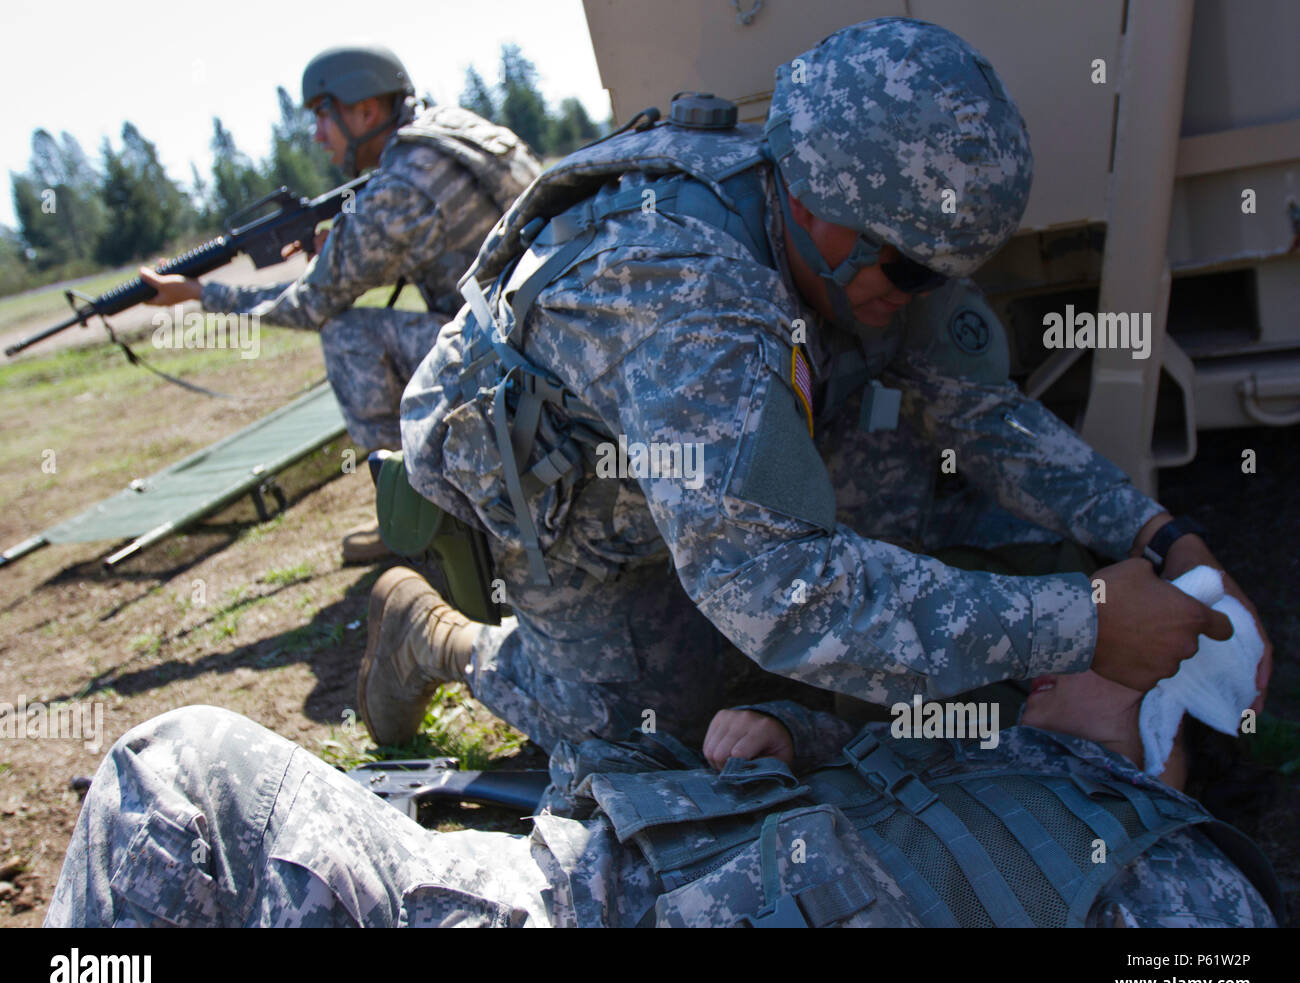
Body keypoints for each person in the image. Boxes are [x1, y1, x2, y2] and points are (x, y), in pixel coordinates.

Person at [359, 17, 1270, 749]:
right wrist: (1080, 623)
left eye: (943, 270)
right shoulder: (685, 291)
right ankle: (434, 637)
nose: (920, 292)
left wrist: (1157, 532)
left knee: (896, 535)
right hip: (561, 500)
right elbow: (774, 585)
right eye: (910, 270)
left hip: (695, 449)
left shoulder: (868, 227)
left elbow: (984, 416)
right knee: (640, 738)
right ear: (808, 201)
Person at [44, 660, 1283, 928]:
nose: (1056, 661)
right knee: (189, 764)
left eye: (1102, 658)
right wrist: (776, 759)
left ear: (1166, 723)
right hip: (548, 881)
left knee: (181, 764)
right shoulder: (996, 751)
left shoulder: (1184, 879)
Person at [140, 45, 540, 561]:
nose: (316, 136)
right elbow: (456, 241)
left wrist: (198, 293)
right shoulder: (453, 132)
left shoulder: (394, 187)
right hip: (544, 324)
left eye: (321, 116)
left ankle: (418, 509)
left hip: (512, 355)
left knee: (346, 331)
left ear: (365, 110)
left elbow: (309, 305)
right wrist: (343, 244)